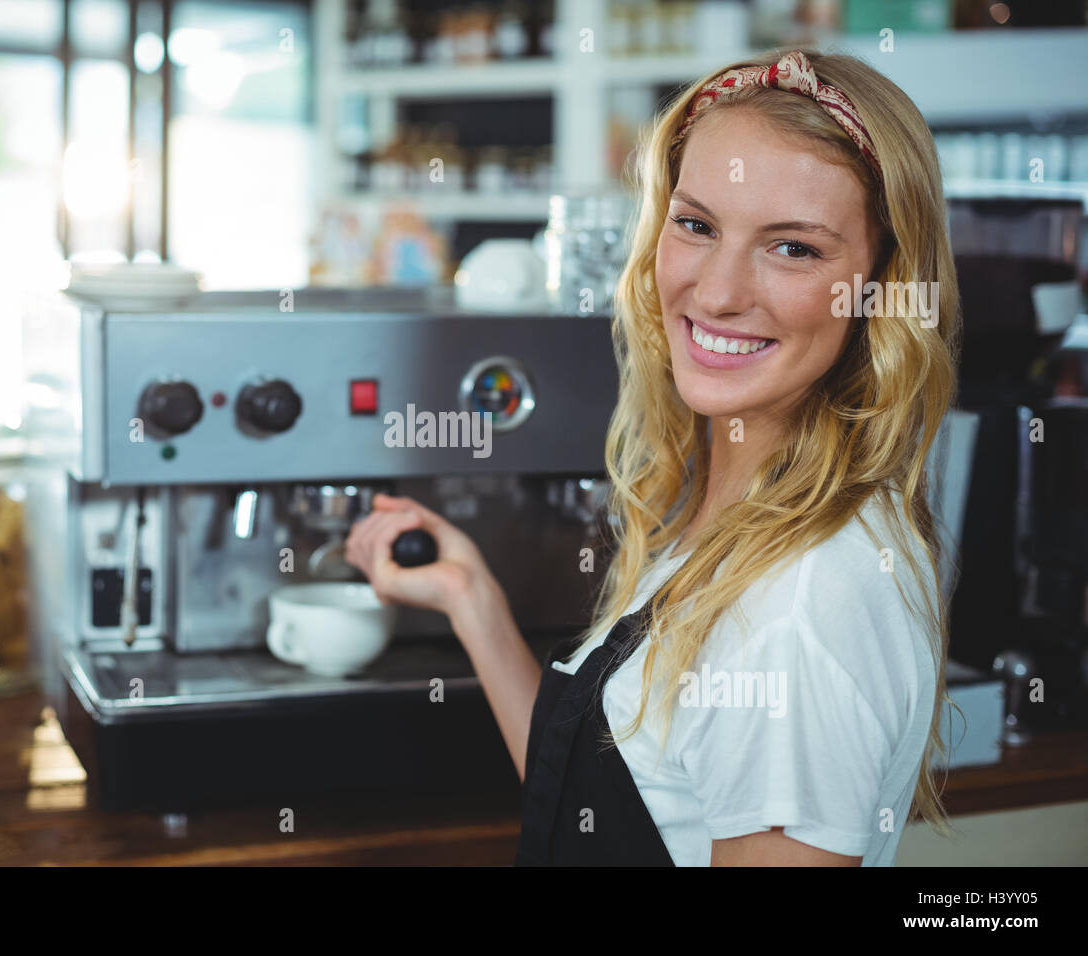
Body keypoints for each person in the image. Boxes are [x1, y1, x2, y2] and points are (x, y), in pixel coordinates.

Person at [344, 49, 959, 866]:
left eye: (794, 249)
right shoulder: (745, 513)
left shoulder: (796, 612)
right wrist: (471, 601)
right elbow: (617, 813)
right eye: (697, 225)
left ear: (881, 285)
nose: (715, 293)